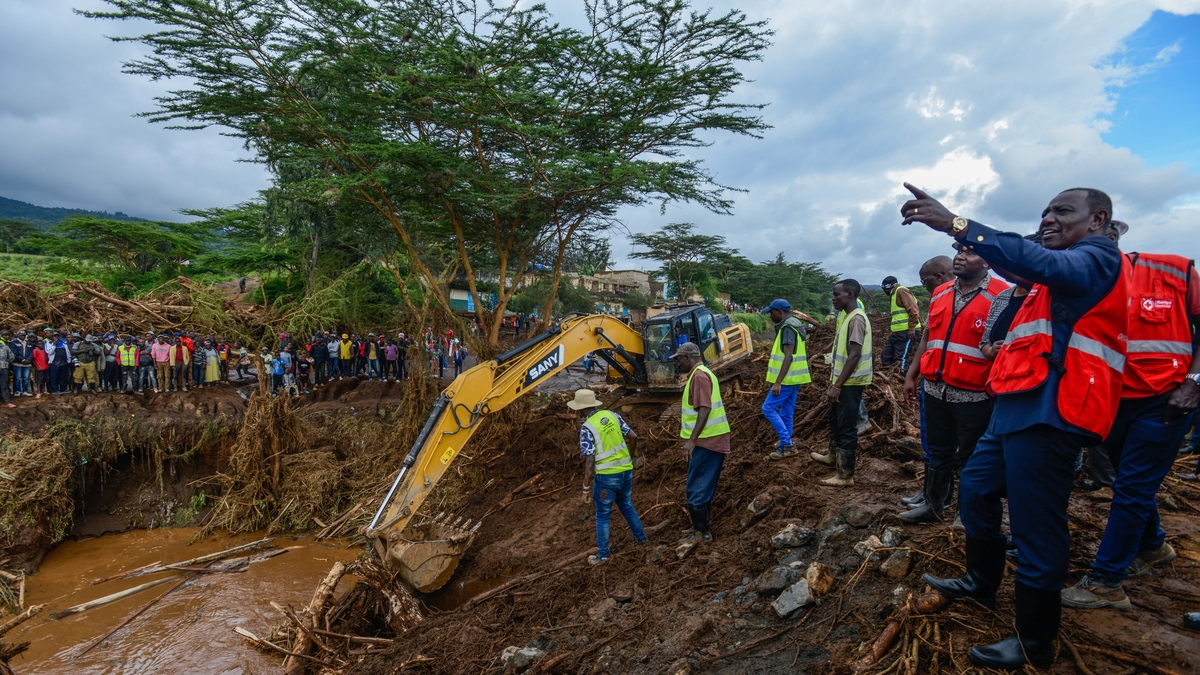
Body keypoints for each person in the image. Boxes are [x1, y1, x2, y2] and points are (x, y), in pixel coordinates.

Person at [903, 184, 1129, 669]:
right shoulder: (1046, 278)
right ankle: (981, 581)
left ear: (1097, 220)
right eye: (1044, 211)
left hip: (1052, 414)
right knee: (978, 490)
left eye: (1062, 211)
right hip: (1013, 408)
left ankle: (1034, 641)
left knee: (1035, 527)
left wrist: (956, 224)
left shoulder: (1097, 260)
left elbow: (1036, 262)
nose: (1048, 218)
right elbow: (1025, 269)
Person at [1059, 220, 1200, 611]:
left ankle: (1106, 581)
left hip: (1165, 399)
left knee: (1132, 489)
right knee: (1130, 481)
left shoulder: (1172, 270)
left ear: (1112, 237)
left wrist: (1194, 382)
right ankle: (1153, 546)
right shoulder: (1077, 283)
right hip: (1111, 402)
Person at [901, 244, 1009, 523]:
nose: (961, 256)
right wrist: (912, 374)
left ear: (987, 262)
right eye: (959, 251)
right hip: (936, 388)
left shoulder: (1002, 294)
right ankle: (934, 506)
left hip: (975, 393)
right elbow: (928, 337)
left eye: (970, 253)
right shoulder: (940, 292)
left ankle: (967, 513)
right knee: (939, 451)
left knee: (972, 456)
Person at [568, 388, 649, 565]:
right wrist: (630, 456)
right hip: (625, 472)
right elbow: (633, 437)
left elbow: (590, 461)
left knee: (603, 515)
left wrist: (585, 487)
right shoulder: (613, 415)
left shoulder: (587, 428)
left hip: (606, 478)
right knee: (627, 506)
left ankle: (604, 555)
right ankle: (642, 540)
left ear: (580, 409)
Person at [811, 280, 873, 487]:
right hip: (842, 381)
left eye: (837, 294)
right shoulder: (847, 317)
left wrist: (837, 386)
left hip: (850, 383)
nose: (833, 298)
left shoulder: (856, 319)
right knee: (835, 419)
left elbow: (854, 355)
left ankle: (845, 475)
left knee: (847, 426)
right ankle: (832, 456)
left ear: (849, 294)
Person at [670, 341, 731, 543]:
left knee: (697, 486)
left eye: (679, 359)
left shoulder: (699, 376)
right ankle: (699, 527)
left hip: (707, 441)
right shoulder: (701, 373)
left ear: (688, 358)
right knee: (701, 485)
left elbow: (704, 408)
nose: (678, 363)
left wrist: (692, 441)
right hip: (709, 439)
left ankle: (702, 534)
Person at [762, 298, 811, 460]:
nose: (770, 316)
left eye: (772, 312)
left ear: (780, 312)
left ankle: (787, 444)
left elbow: (788, 357)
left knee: (768, 408)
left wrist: (778, 382)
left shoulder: (788, 328)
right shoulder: (795, 325)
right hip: (795, 378)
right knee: (787, 413)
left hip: (787, 380)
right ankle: (784, 446)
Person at [881, 275, 922, 370]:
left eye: (884, 289)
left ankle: (903, 377)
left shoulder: (901, 291)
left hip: (907, 332)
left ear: (889, 287)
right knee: (886, 355)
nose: (884, 291)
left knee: (901, 358)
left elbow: (914, 309)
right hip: (898, 333)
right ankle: (890, 376)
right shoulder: (894, 294)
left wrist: (912, 328)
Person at [10, 330, 34, 397]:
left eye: (24, 335)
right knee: (17, 378)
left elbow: (31, 353)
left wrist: (28, 360)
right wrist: (22, 360)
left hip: (27, 364)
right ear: (18, 335)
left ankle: (25, 391)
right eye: (21, 335)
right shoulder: (13, 343)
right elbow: (14, 352)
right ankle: (17, 391)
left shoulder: (28, 343)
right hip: (17, 363)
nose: (23, 337)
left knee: (26, 378)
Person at [0, 338, 14, 407]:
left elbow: (12, 357)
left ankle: (7, 402)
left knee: (4, 386)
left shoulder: (5, 347)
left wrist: (5, 363)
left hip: (4, 369)